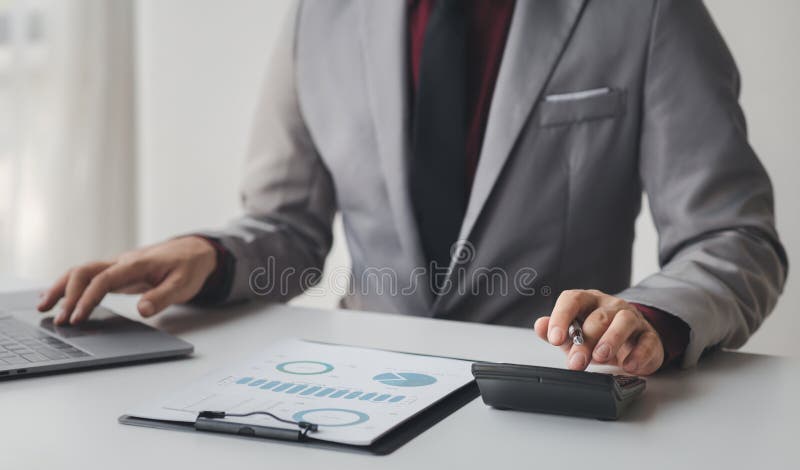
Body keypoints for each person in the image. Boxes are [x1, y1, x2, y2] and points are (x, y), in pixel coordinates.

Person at [38, 0, 787, 376]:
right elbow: (290, 236)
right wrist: (211, 256)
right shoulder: (322, 16)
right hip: (352, 390)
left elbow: (734, 237)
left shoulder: (645, 12)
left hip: (552, 387)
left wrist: (654, 314)